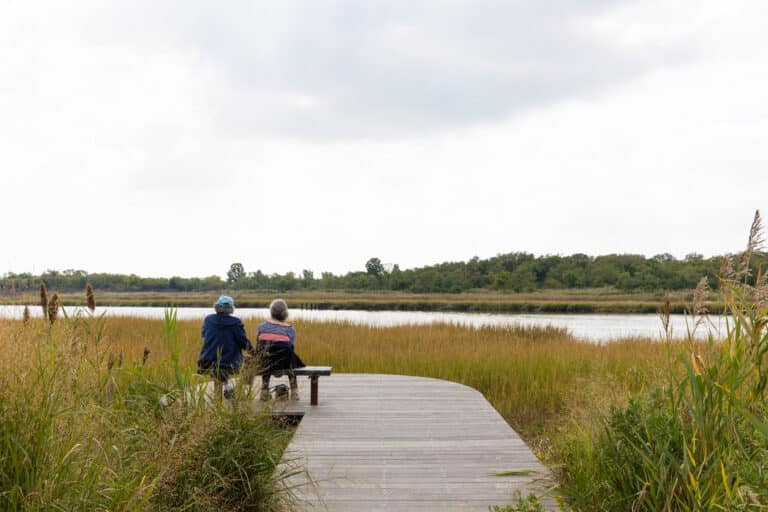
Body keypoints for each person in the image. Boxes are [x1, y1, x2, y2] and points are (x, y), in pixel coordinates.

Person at [197, 295, 256, 399]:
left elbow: (203, 334)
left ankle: (226, 389)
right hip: (229, 362)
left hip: (207, 361)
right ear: (231, 308)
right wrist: (254, 353)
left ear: (217, 306)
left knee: (223, 357)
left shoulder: (208, 319)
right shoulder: (236, 322)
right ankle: (242, 390)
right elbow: (243, 342)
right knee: (250, 363)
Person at [255, 298, 305, 401]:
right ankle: (294, 392)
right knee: (291, 356)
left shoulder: (261, 327)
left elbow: (258, 346)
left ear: (271, 312)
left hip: (266, 362)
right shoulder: (290, 329)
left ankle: (264, 392)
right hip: (285, 362)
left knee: (265, 354)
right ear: (285, 313)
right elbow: (290, 346)